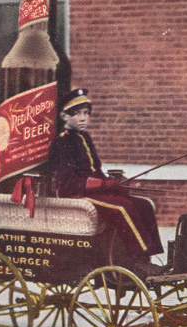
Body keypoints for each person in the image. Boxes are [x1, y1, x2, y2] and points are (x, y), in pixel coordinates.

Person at [49, 88, 164, 274]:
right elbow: (68, 182)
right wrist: (104, 185)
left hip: (93, 191)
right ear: (64, 116)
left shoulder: (84, 137)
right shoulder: (62, 142)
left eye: (86, 113)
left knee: (143, 205)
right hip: (75, 194)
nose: (83, 118)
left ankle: (148, 256)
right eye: (77, 114)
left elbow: (95, 171)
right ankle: (136, 259)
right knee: (121, 208)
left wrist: (115, 184)